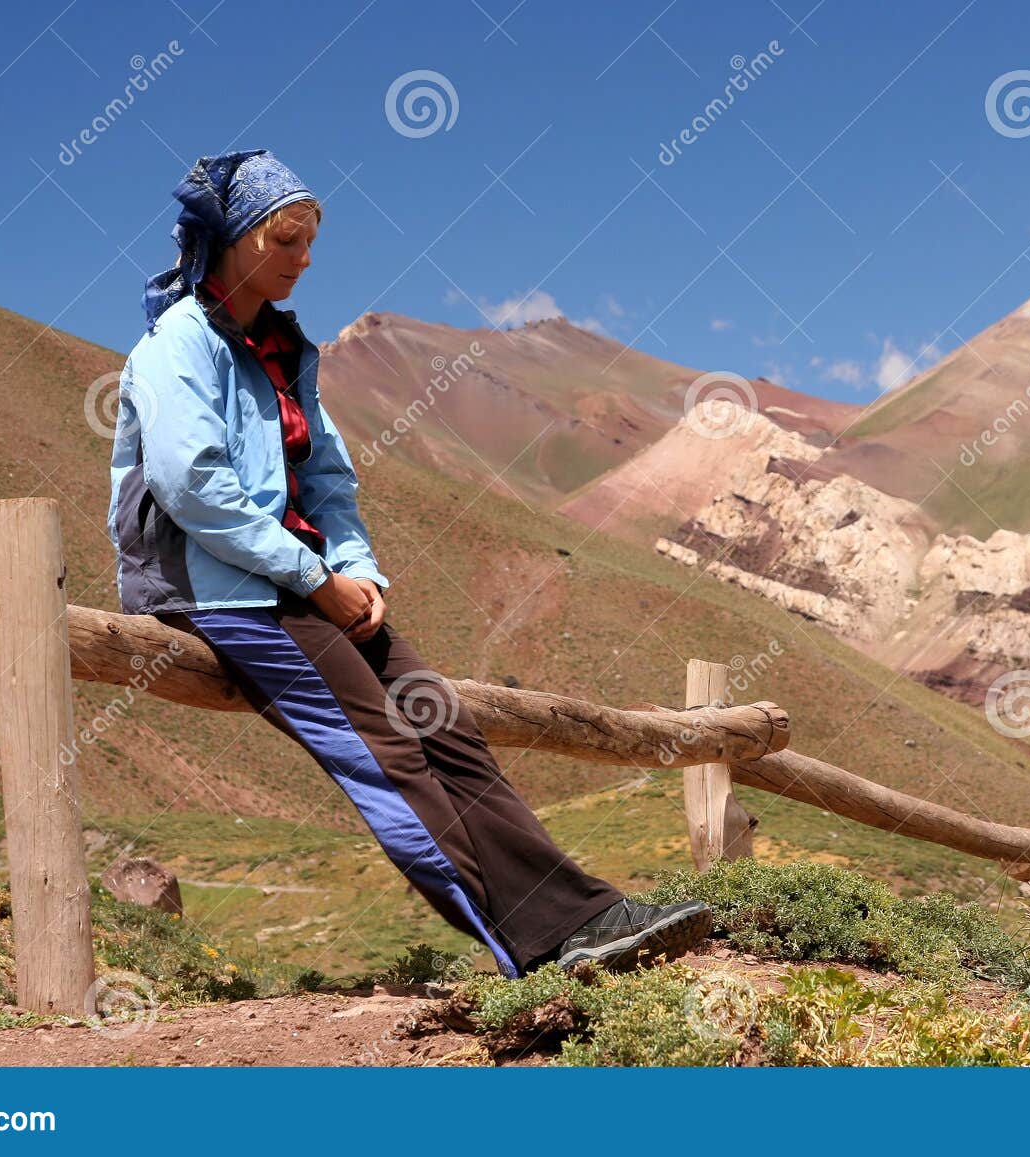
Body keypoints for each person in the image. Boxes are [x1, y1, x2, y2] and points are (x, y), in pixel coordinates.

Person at [106, 148, 712, 978]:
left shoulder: (283, 350)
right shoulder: (179, 344)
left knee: (446, 727)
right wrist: (320, 582)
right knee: (387, 753)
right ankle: (534, 951)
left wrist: (358, 572)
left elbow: (328, 476)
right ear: (239, 240)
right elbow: (193, 487)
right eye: (288, 240)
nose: (306, 258)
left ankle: (585, 916)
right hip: (225, 591)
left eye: (311, 240)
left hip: (301, 582)